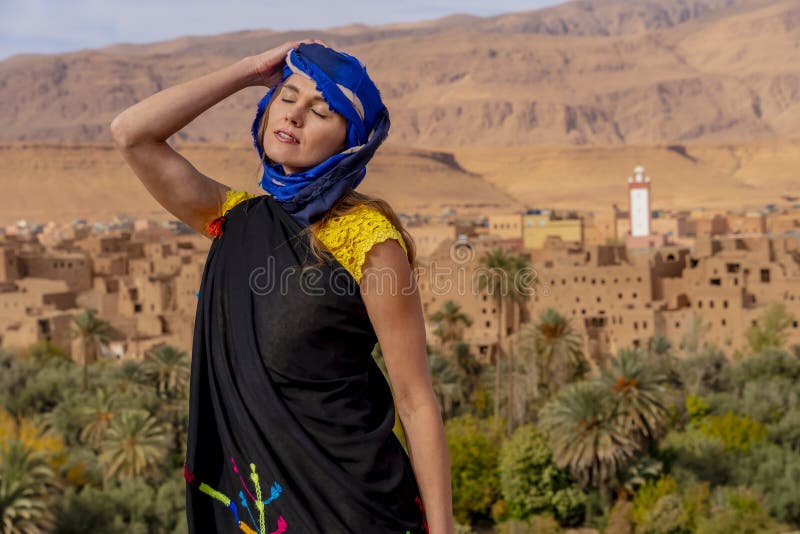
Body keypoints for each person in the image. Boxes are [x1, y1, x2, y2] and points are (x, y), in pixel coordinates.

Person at [110, 38, 454, 533]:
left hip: (353, 508)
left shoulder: (369, 242)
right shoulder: (233, 218)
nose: (293, 116)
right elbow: (131, 134)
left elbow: (415, 397)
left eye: (321, 111)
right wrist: (250, 70)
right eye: (287, 97)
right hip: (258, 511)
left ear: (350, 141)